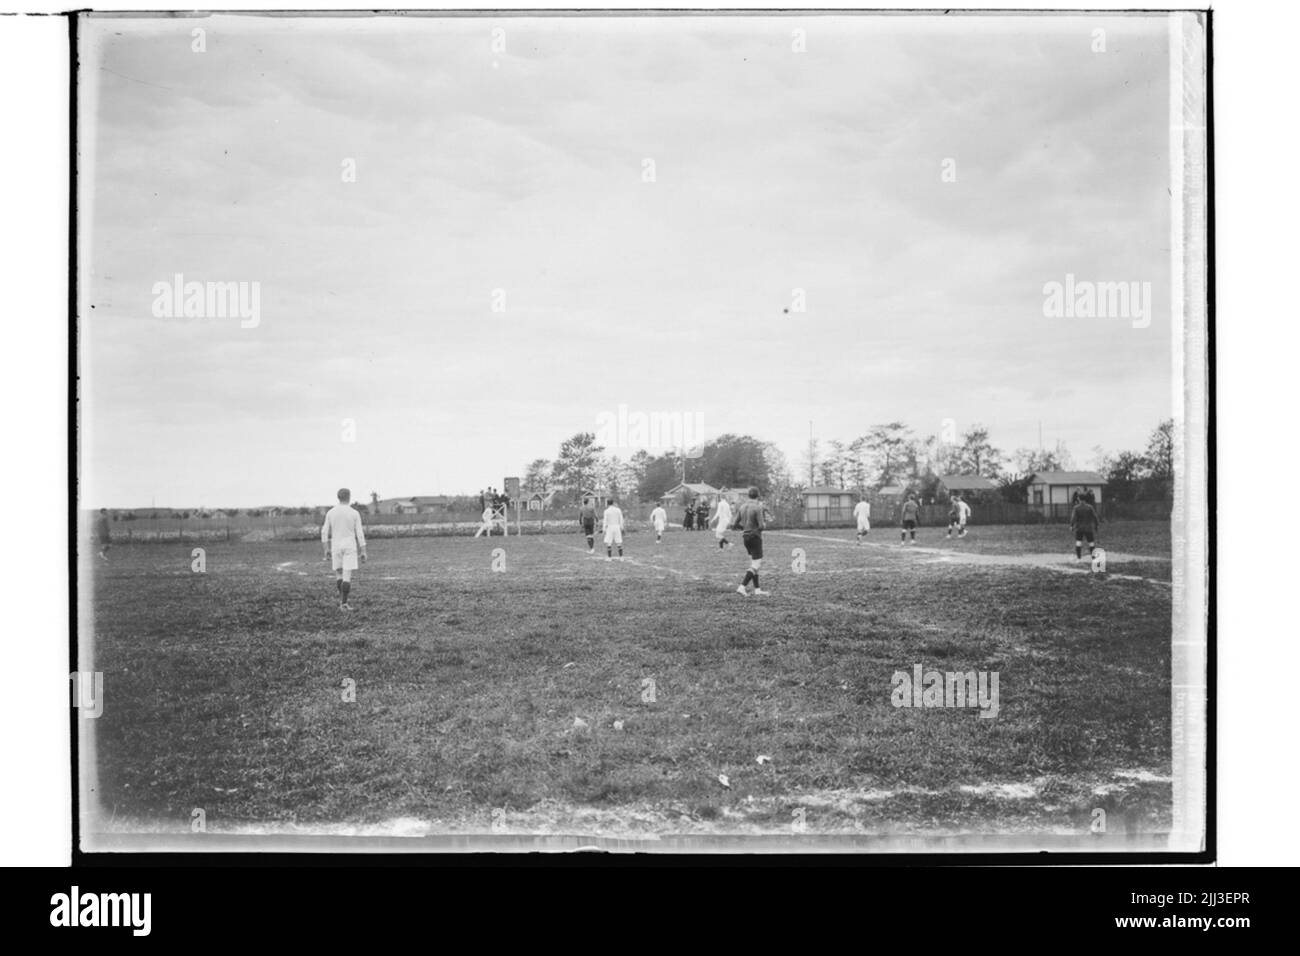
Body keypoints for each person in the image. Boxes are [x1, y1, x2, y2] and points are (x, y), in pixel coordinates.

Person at [322, 488, 367, 611]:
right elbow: (360, 533)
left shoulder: (331, 512)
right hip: (349, 546)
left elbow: (324, 531)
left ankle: (341, 601)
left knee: (338, 574)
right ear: (349, 497)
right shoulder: (354, 513)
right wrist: (363, 550)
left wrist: (326, 549)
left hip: (336, 546)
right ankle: (344, 604)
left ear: (338, 497)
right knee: (346, 575)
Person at [734, 487, 768, 596]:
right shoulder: (757, 508)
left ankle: (757, 590)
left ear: (748, 495)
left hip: (745, 538)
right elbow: (762, 526)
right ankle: (742, 586)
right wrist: (759, 528)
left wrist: (745, 530)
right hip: (755, 538)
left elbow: (734, 525)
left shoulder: (742, 507)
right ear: (758, 496)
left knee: (754, 563)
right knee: (756, 564)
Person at [1071, 495, 1101, 561]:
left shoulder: (1076, 508)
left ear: (1079, 499)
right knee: (1091, 543)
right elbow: (1095, 516)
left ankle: (1079, 558)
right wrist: (1096, 525)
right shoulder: (1090, 507)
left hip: (1079, 528)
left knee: (1078, 543)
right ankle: (1093, 558)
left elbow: (1073, 518)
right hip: (1088, 528)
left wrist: (1071, 525)